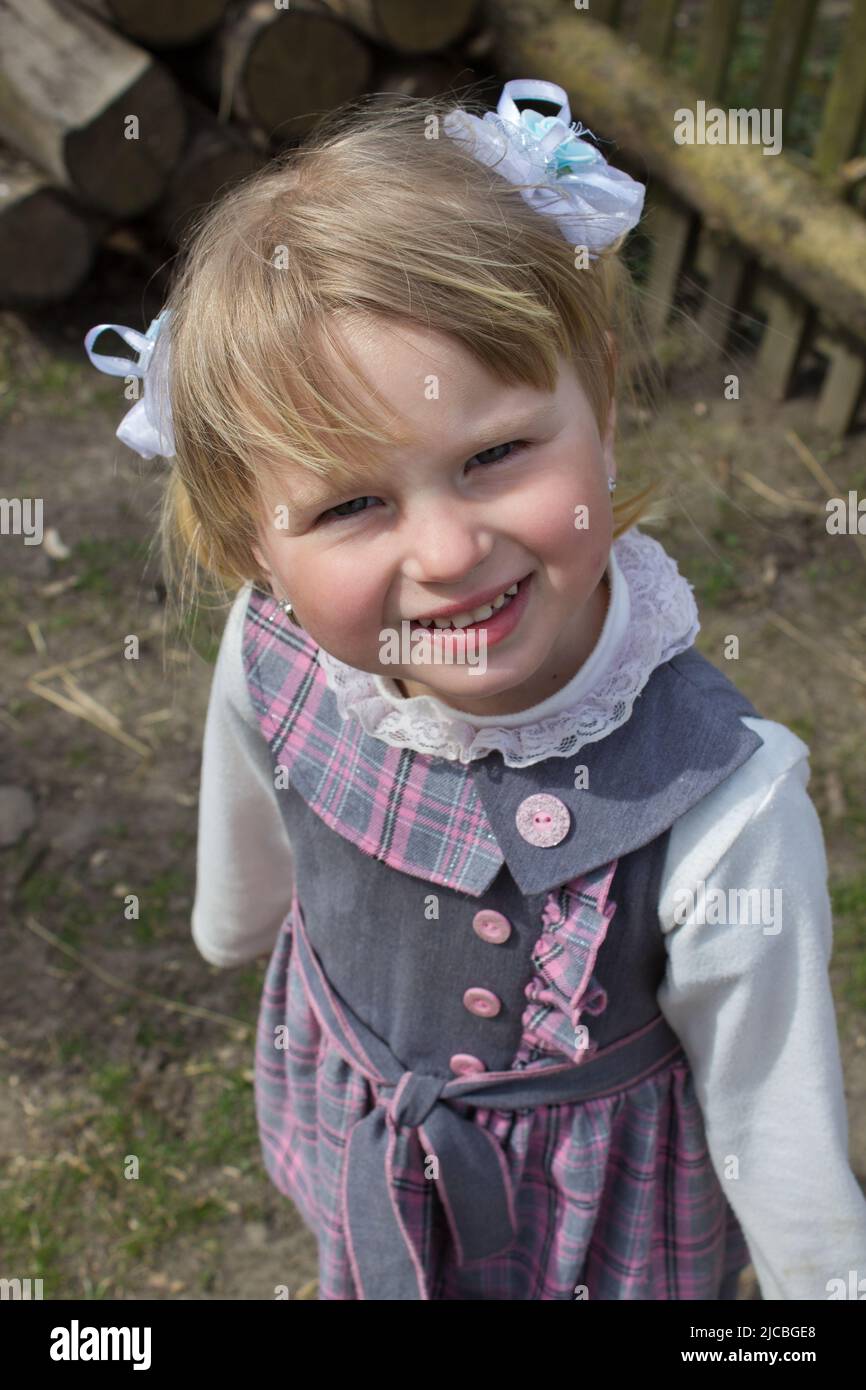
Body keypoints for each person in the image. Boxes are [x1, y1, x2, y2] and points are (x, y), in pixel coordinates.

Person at [85, 79, 866, 1301]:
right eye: (351, 505)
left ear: (600, 407)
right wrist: (229, 923)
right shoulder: (278, 649)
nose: (446, 553)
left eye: (495, 455)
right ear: (253, 548)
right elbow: (251, 794)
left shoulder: (720, 799)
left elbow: (774, 1113)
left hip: (591, 1235)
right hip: (360, 1130)